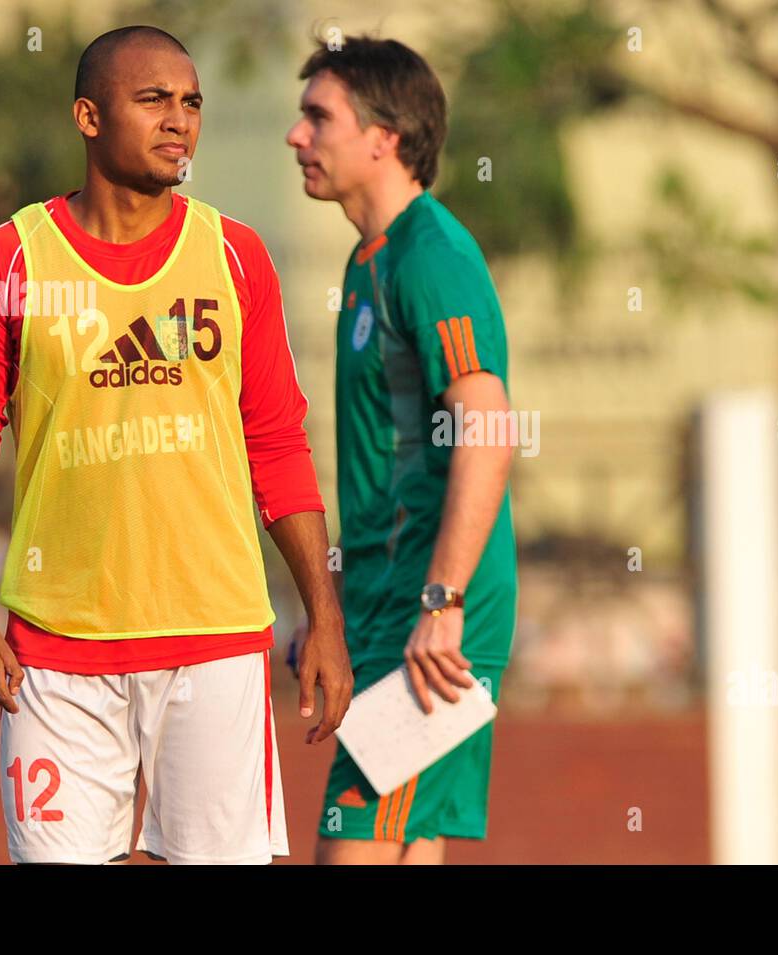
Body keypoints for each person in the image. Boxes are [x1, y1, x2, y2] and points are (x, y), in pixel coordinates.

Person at [0, 25, 352, 865]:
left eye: (191, 102)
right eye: (152, 99)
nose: (179, 121)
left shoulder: (235, 257)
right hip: (53, 650)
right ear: (88, 115)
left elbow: (276, 445)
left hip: (217, 637)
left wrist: (322, 614)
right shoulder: (6, 260)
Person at [286, 34, 518, 865]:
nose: (296, 136)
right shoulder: (366, 261)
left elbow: (488, 428)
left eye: (319, 117)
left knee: (350, 847)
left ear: (383, 137)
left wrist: (442, 602)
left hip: (437, 626)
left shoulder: (433, 256)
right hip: (396, 613)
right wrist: (335, 611)